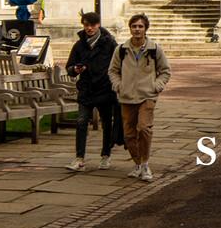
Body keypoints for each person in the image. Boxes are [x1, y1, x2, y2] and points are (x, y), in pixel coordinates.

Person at [109, 12, 171, 182]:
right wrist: (118, 85)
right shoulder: (121, 50)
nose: (137, 29)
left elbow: (165, 71)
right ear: (130, 28)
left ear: (145, 29)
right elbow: (113, 71)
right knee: (129, 135)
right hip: (126, 97)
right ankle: (137, 163)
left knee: (144, 128)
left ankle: (145, 164)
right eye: (134, 26)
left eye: (140, 26)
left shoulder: (154, 49)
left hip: (147, 96)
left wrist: (156, 86)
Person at [65, 11, 117, 171]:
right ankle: (79, 158)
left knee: (107, 123)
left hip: (105, 89)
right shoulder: (79, 45)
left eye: (92, 25)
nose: (89, 28)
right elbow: (70, 67)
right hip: (87, 89)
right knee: (81, 121)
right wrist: (75, 69)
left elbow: (118, 64)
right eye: (86, 25)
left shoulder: (109, 43)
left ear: (98, 25)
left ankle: (106, 155)